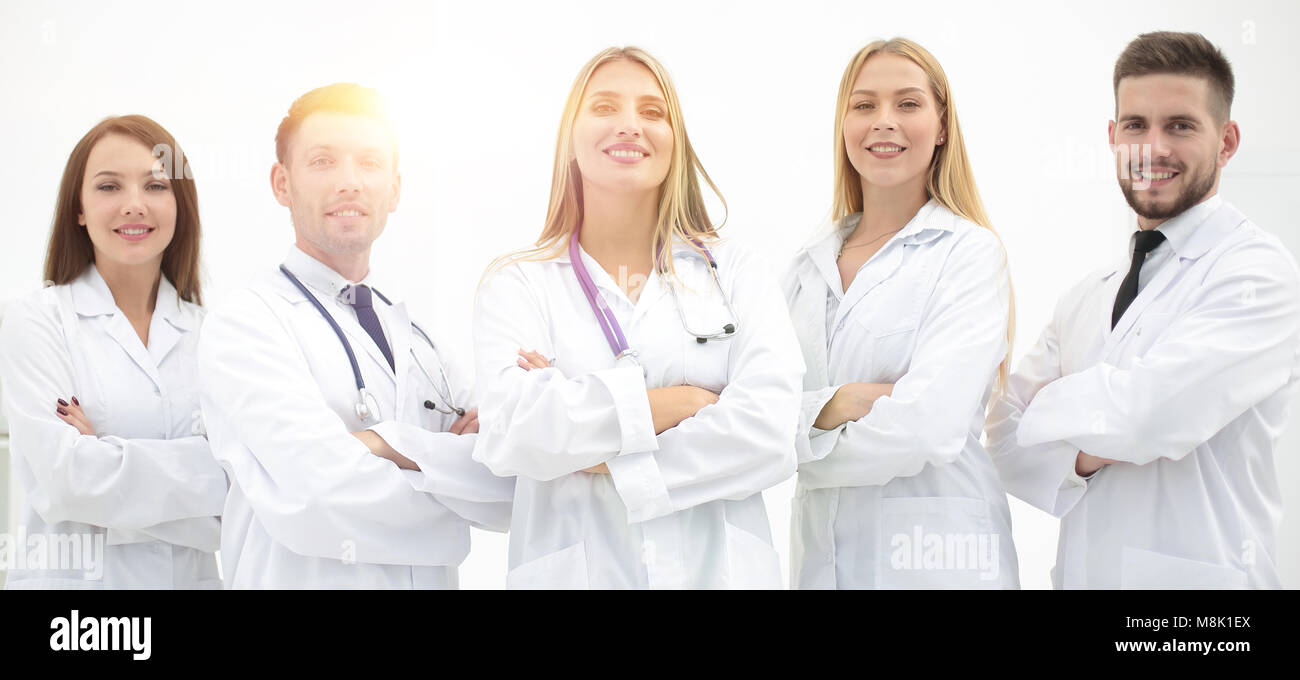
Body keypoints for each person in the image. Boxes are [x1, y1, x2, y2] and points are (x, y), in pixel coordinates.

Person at [472, 47, 804, 589]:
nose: (630, 125)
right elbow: (515, 430)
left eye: (653, 113)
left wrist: (604, 451)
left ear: (675, 143)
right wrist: (683, 403)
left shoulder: (735, 270)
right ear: (570, 140)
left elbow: (769, 432)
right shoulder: (519, 283)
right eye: (605, 107)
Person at [988, 31, 1300, 588]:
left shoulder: (1258, 273)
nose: (1153, 148)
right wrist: (1086, 455)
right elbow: (1003, 438)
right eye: (1135, 125)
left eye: (1180, 126)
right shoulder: (1087, 294)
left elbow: (1150, 417)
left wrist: (1056, 413)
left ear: (1226, 141)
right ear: (1112, 137)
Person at [197, 83, 513, 588]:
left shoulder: (420, 339)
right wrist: (452, 482)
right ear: (282, 183)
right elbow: (320, 492)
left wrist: (381, 444)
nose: (349, 182)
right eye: (323, 162)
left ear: (395, 188)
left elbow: (509, 478)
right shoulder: (246, 324)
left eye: (369, 163)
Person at [782, 38, 1019, 589]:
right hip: (823, 565)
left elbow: (928, 430)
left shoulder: (968, 253)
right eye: (864, 105)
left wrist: (791, 440)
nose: (883, 121)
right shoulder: (804, 267)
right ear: (844, 126)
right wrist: (842, 403)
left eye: (908, 104)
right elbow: (750, 408)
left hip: (943, 564)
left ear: (941, 126)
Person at [0, 115, 228, 588]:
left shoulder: (217, 336)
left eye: (155, 186)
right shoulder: (37, 320)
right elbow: (67, 485)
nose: (134, 205)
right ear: (78, 209)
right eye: (108, 187)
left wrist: (102, 454)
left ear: (180, 205)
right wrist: (207, 483)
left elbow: (248, 490)